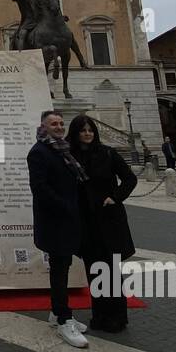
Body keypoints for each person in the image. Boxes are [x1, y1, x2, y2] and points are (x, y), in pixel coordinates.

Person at [68, 114, 138, 333]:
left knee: (110, 270)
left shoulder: (108, 153)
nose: (87, 133)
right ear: (76, 132)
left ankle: (117, 317)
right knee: (93, 270)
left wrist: (115, 197)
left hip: (108, 219)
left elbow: (130, 178)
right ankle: (99, 315)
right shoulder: (70, 156)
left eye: (90, 130)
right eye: (83, 130)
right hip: (86, 220)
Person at [27, 111, 88, 348]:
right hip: (55, 221)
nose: (60, 126)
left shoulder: (63, 149)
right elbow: (40, 189)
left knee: (62, 266)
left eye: (62, 123)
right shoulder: (39, 152)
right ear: (43, 126)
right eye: (54, 123)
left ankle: (56, 311)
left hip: (67, 218)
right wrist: (66, 207)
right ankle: (64, 319)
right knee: (60, 270)